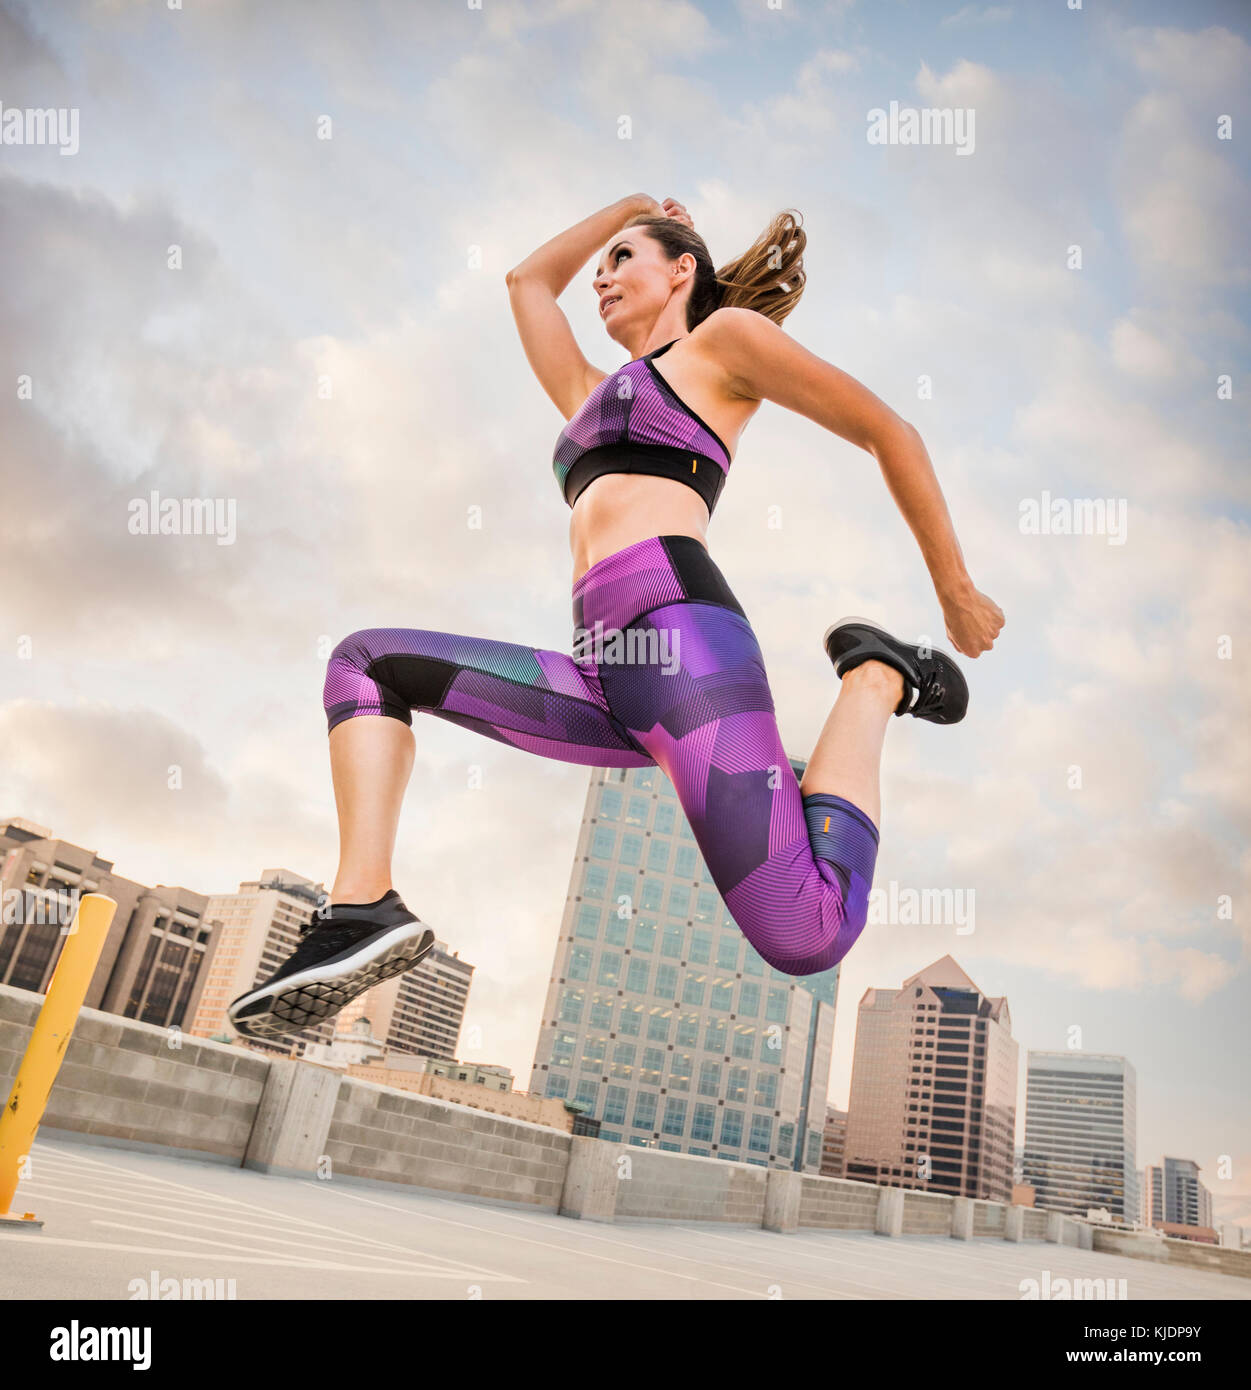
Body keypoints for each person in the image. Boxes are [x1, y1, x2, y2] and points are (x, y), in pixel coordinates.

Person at [228, 193, 1004, 1041]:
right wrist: (624, 211)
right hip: (595, 671)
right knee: (364, 663)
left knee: (805, 932)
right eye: (599, 267)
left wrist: (955, 588)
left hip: (681, 645)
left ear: (683, 270)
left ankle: (874, 674)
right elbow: (528, 282)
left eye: (622, 259)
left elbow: (887, 430)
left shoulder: (723, 345)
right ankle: (361, 909)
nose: (599, 277)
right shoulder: (588, 393)